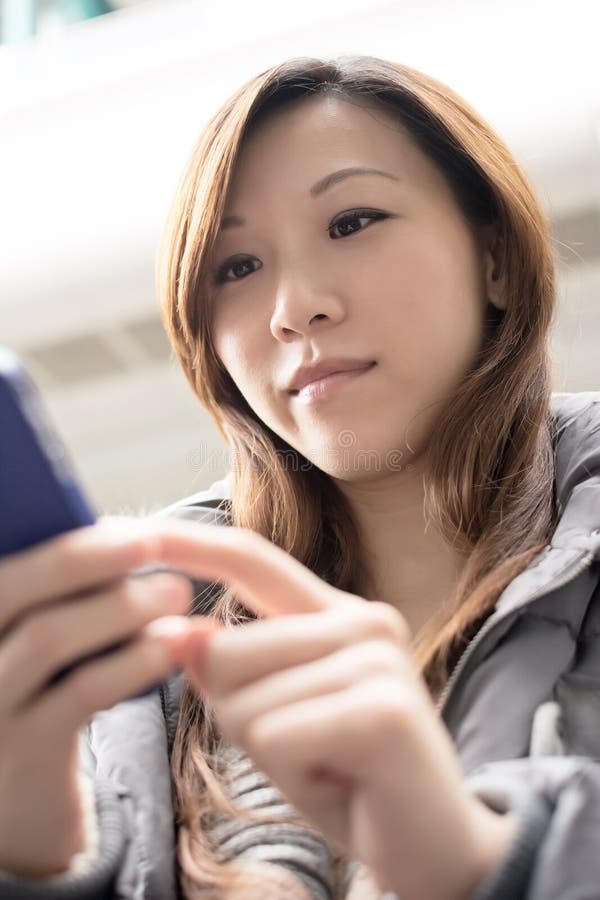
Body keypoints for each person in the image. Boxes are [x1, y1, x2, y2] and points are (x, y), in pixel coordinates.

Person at [1, 53, 599, 900]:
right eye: (236, 269)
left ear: (495, 259)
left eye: (352, 221)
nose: (294, 308)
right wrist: (32, 858)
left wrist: (473, 861)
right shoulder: (142, 663)